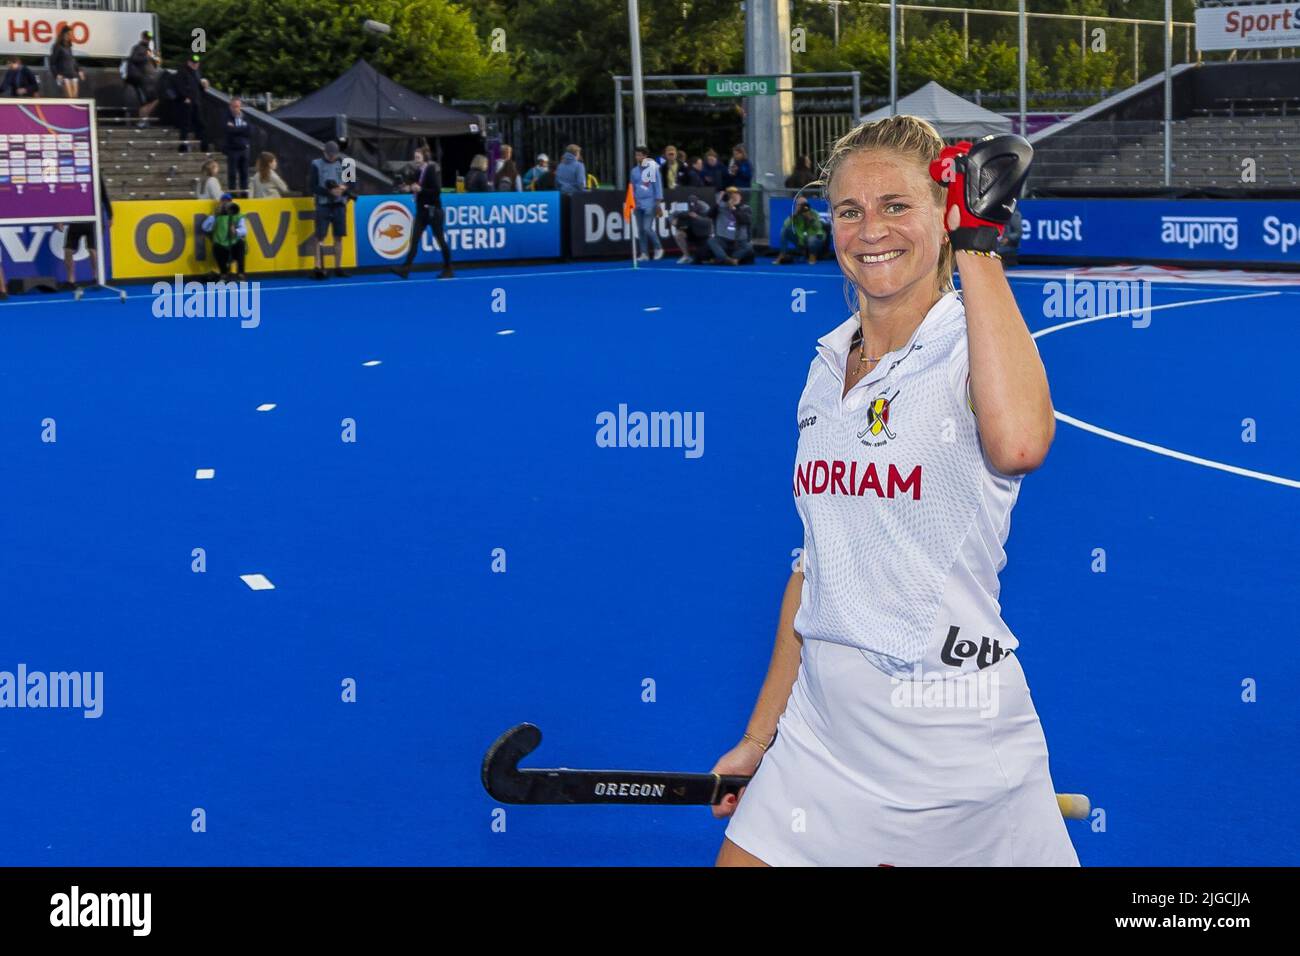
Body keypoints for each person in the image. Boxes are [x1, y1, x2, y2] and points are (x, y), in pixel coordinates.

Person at [711, 116, 1072, 868]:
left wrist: (978, 246)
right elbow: (815, 568)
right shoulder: (822, 363)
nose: (870, 229)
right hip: (823, 731)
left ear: (945, 211)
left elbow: (1020, 444)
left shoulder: (974, 347)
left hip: (950, 739)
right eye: (849, 210)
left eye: (896, 205)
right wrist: (759, 736)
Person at [392, 145, 453, 280]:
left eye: (418, 157)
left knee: (440, 240)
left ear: (424, 157)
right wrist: (406, 188)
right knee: (414, 240)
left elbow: (436, 191)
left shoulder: (430, 170)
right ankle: (405, 269)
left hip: (433, 211)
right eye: (415, 158)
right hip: (422, 212)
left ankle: (448, 268)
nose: (416, 160)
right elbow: (414, 186)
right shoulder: (419, 172)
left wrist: (420, 190)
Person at [58, 175, 112, 290]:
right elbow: (65, 198)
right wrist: (60, 218)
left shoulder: (96, 174)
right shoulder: (71, 176)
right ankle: (71, 280)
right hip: (76, 218)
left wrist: (110, 215)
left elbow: (104, 196)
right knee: (68, 250)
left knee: (93, 250)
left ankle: (96, 277)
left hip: (93, 219)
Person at [309, 140, 351, 279]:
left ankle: (338, 266)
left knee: (338, 236)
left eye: (334, 154)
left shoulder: (347, 163)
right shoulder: (316, 164)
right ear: (324, 152)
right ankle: (318, 266)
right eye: (329, 154)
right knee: (320, 236)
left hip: (339, 204)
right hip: (323, 204)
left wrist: (344, 188)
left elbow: (352, 183)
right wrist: (329, 192)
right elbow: (313, 186)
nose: (332, 157)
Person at [629, 145, 665, 261]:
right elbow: (632, 187)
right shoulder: (634, 171)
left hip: (650, 202)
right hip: (637, 203)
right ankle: (644, 253)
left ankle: (658, 248)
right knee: (640, 230)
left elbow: (657, 186)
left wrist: (658, 202)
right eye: (636, 155)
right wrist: (632, 201)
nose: (637, 157)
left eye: (640, 155)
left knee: (647, 228)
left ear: (645, 156)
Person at [201, 194, 248, 279]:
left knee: (240, 244)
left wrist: (236, 232)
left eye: (228, 201)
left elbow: (244, 230)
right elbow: (205, 227)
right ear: (220, 203)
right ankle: (224, 273)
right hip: (221, 244)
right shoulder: (216, 215)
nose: (226, 204)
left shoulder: (238, 215)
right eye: (223, 201)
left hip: (234, 244)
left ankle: (241, 273)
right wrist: (214, 215)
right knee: (216, 247)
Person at [706, 186, 753, 265]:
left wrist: (733, 208)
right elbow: (709, 215)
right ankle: (727, 259)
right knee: (711, 241)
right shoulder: (720, 207)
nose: (732, 197)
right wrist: (717, 202)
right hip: (722, 238)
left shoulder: (746, 208)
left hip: (739, 240)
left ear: (740, 197)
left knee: (748, 247)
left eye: (735, 195)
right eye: (730, 195)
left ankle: (734, 258)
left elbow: (744, 220)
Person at [774, 196, 827, 265]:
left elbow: (819, 227)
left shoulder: (814, 213)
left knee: (811, 239)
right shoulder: (795, 215)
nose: (803, 206)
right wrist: (794, 215)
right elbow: (785, 225)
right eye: (800, 205)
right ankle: (783, 254)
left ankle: (812, 256)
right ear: (796, 205)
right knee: (785, 230)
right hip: (801, 239)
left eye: (804, 204)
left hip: (814, 239)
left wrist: (810, 219)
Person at [173, 54, 209, 153]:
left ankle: (204, 145)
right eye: (193, 63)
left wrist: (203, 87)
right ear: (188, 62)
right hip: (187, 103)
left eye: (197, 63)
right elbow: (178, 86)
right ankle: (183, 147)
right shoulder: (182, 72)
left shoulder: (197, 73)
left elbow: (198, 88)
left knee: (200, 124)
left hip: (196, 102)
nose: (195, 65)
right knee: (185, 126)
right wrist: (185, 97)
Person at [124, 31, 160, 124]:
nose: (148, 40)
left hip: (148, 78)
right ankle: (142, 120)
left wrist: (155, 59)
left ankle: (144, 119)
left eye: (149, 38)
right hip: (140, 78)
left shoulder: (149, 50)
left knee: (151, 100)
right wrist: (147, 57)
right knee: (146, 100)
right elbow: (134, 59)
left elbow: (155, 64)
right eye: (146, 38)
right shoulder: (138, 48)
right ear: (142, 37)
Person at [670, 192, 712, 264]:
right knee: (679, 234)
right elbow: (672, 214)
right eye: (690, 204)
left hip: (704, 233)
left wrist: (697, 217)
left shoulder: (705, 208)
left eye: (694, 204)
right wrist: (672, 221)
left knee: (701, 258)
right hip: (692, 230)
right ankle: (686, 256)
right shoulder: (685, 207)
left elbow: (708, 222)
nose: (692, 206)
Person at [223, 96, 252, 195]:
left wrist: (236, 129)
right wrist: (241, 129)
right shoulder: (226, 117)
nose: (236, 109)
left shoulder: (246, 117)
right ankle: (233, 194)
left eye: (238, 106)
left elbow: (249, 131)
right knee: (232, 174)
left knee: (244, 173)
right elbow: (229, 131)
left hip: (244, 149)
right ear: (230, 107)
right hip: (233, 149)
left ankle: (244, 195)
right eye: (234, 106)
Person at [49, 26, 84, 98]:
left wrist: (79, 70)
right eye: (67, 34)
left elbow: (72, 60)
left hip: (73, 74)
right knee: (69, 98)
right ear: (63, 34)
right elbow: (52, 63)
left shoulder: (69, 46)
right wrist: (56, 74)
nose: (69, 36)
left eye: (70, 34)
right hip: (64, 75)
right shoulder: (57, 46)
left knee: (75, 98)